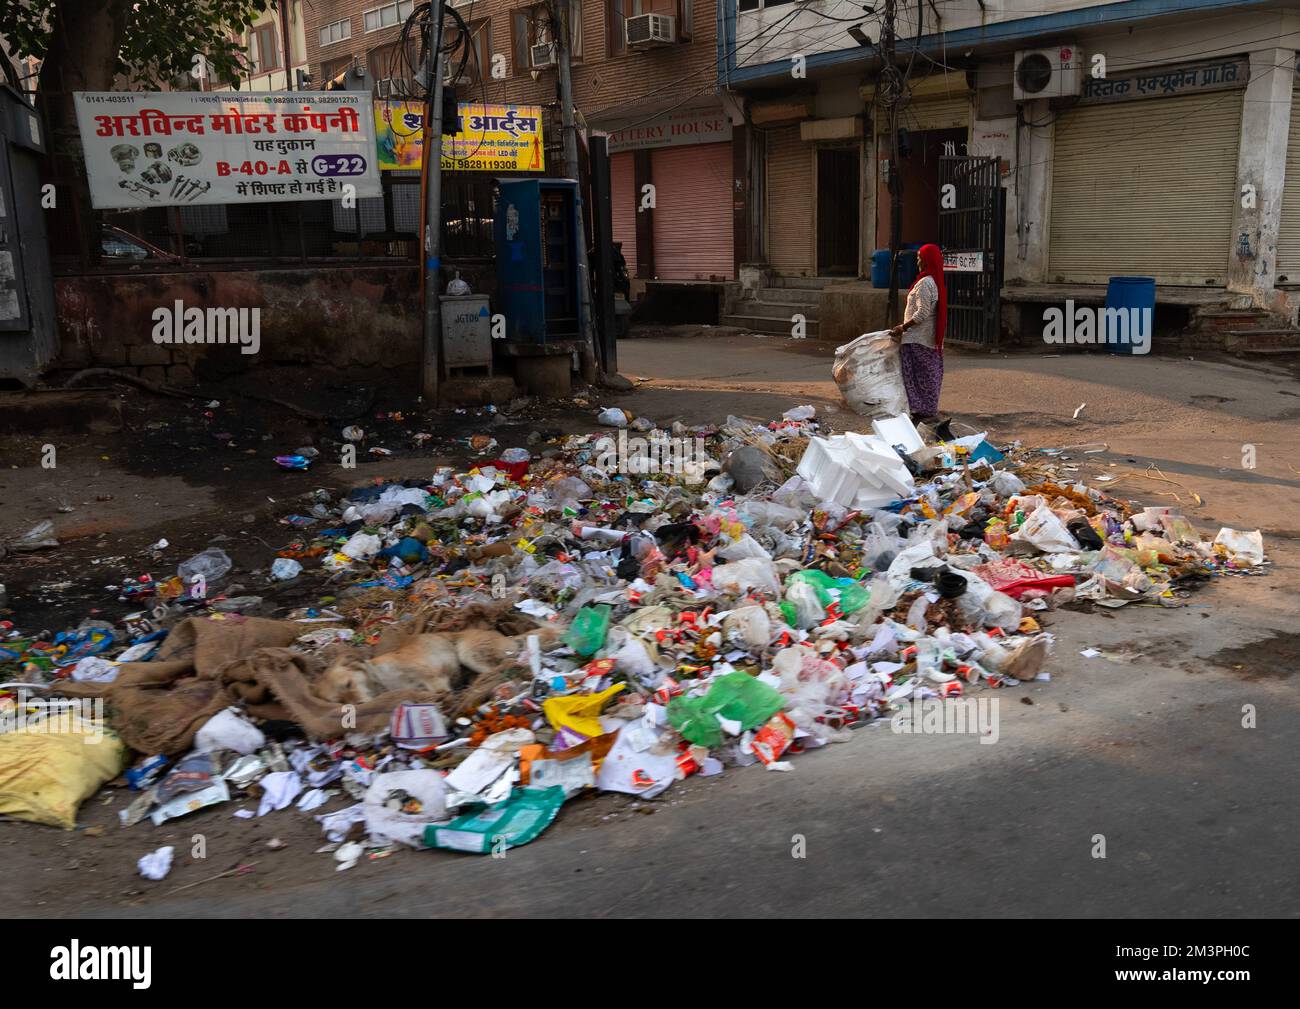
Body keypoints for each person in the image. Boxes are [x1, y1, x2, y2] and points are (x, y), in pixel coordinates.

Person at [888, 243, 947, 423]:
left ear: (927, 261)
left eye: (920, 258)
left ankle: (922, 411)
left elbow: (921, 313)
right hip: (929, 338)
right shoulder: (935, 281)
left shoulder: (924, 283)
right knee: (929, 374)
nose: (918, 262)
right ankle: (927, 409)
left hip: (918, 338)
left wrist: (902, 328)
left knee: (917, 375)